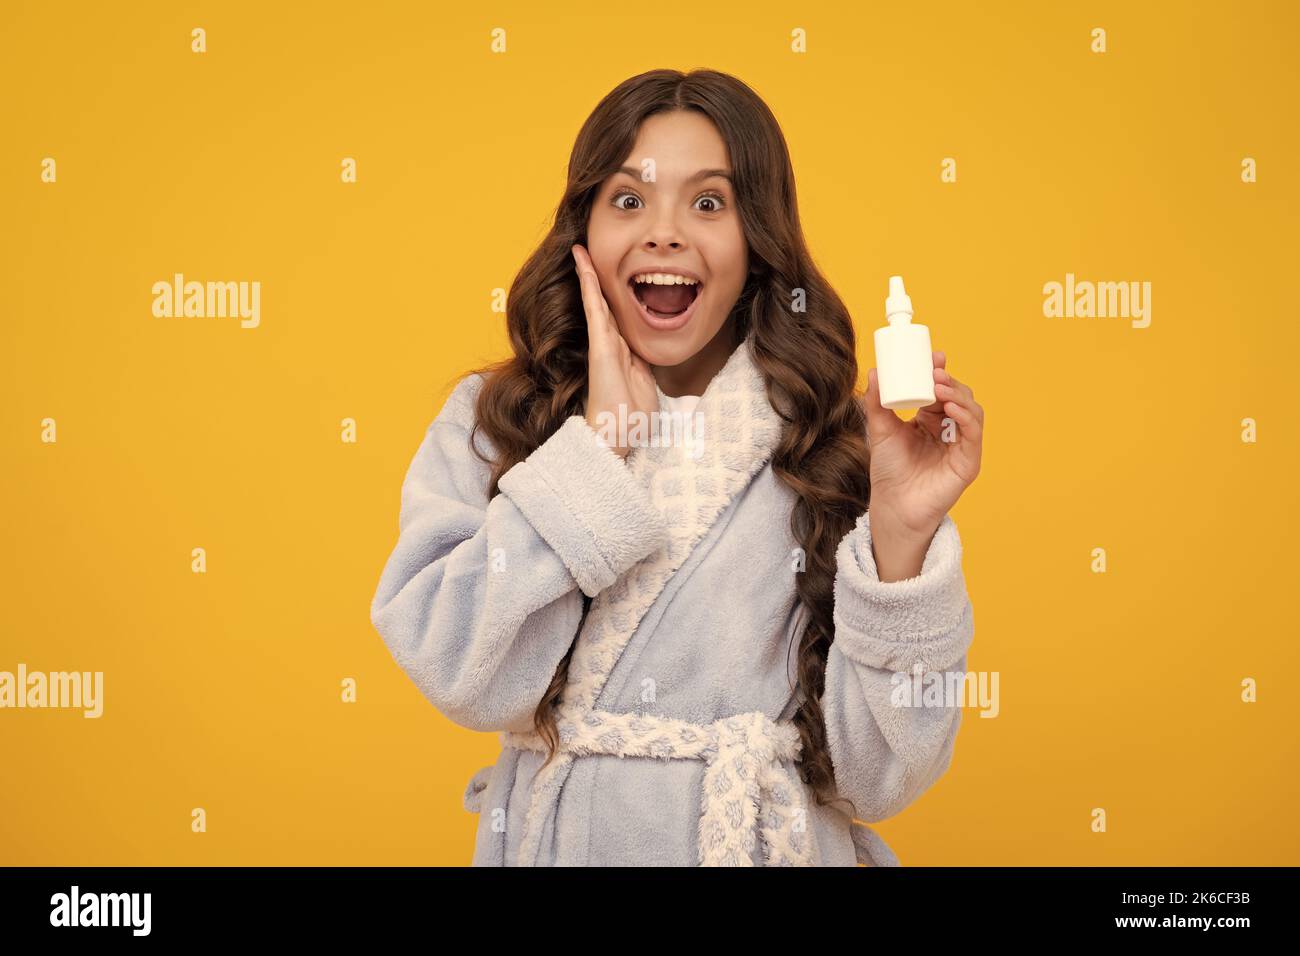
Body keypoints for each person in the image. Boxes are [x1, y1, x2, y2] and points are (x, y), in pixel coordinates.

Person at [369, 68, 985, 866]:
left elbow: (880, 780)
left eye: (708, 203)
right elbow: (461, 671)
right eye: (629, 200)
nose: (664, 233)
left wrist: (901, 539)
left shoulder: (831, 447)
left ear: (757, 242)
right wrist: (595, 451)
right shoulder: (499, 419)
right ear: (582, 233)